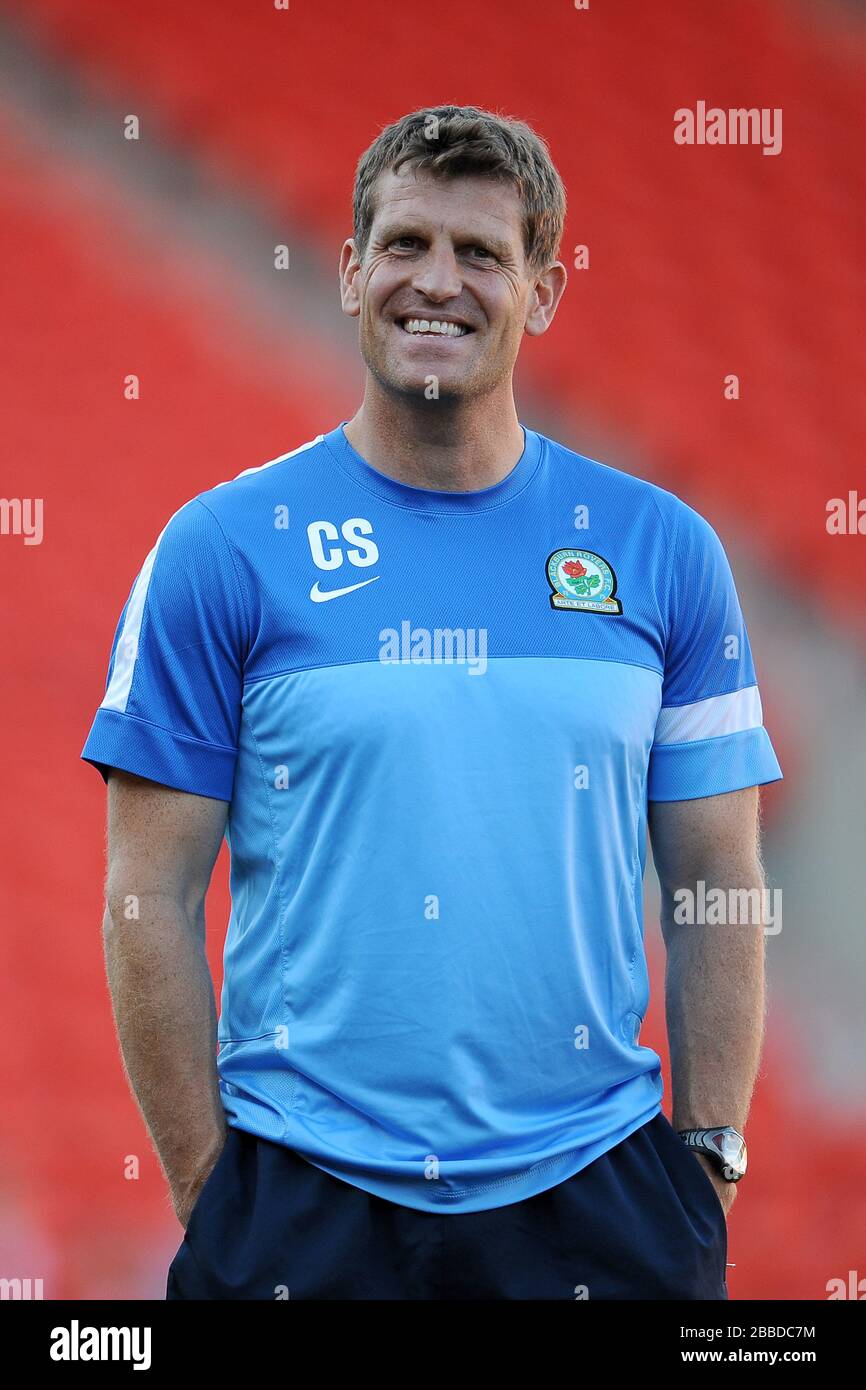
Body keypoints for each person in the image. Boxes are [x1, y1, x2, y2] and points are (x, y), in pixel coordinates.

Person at [81, 104, 783, 1300]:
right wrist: (213, 1194)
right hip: (301, 1198)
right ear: (352, 272)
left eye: (480, 254)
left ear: (544, 290)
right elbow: (145, 896)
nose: (435, 284)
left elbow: (717, 884)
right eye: (404, 245)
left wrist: (705, 1156)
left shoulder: (660, 549)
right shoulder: (223, 548)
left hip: (597, 1199)